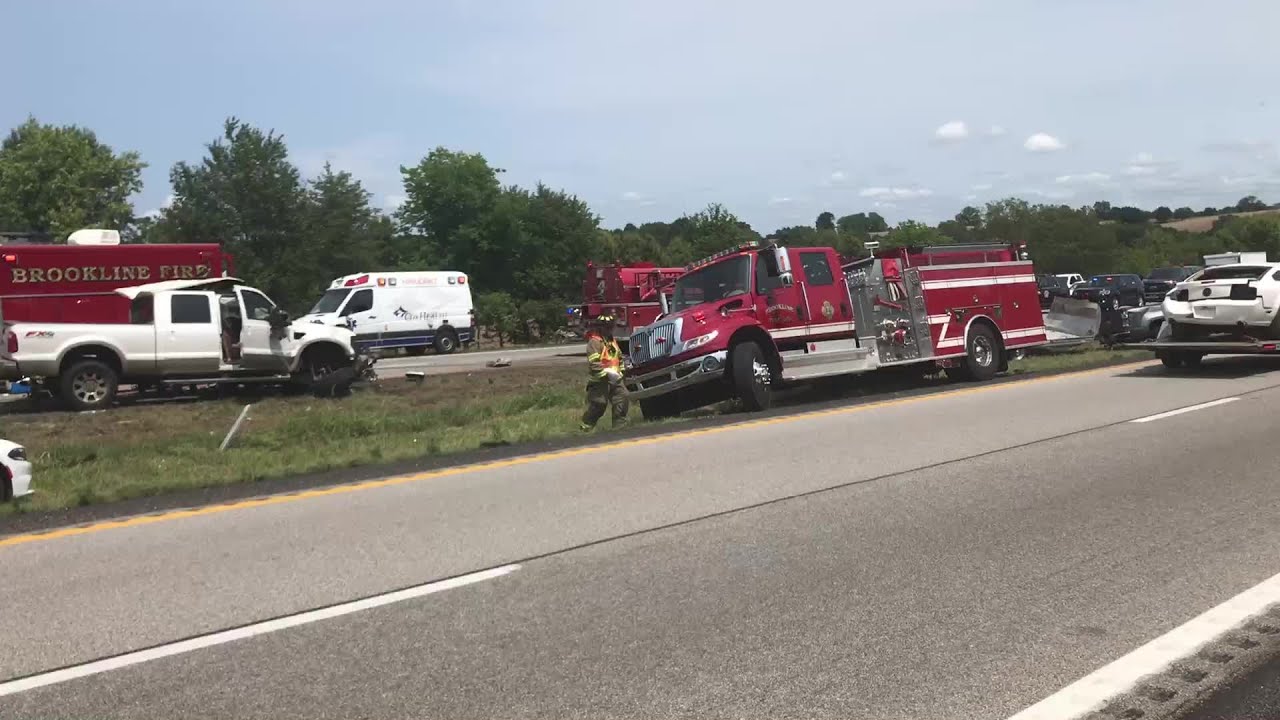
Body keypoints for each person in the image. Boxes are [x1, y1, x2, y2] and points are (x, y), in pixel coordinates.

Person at [580, 315, 629, 431]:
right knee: (599, 404)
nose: (609, 329)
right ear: (600, 327)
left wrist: (621, 372)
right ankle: (585, 427)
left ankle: (620, 428)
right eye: (606, 326)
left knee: (622, 398)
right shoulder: (594, 342)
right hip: (600, 381)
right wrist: (606, 374)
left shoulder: (612, 341)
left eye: (611, 326)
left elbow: (619, 358)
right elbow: (594, 364)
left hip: (616, 379)